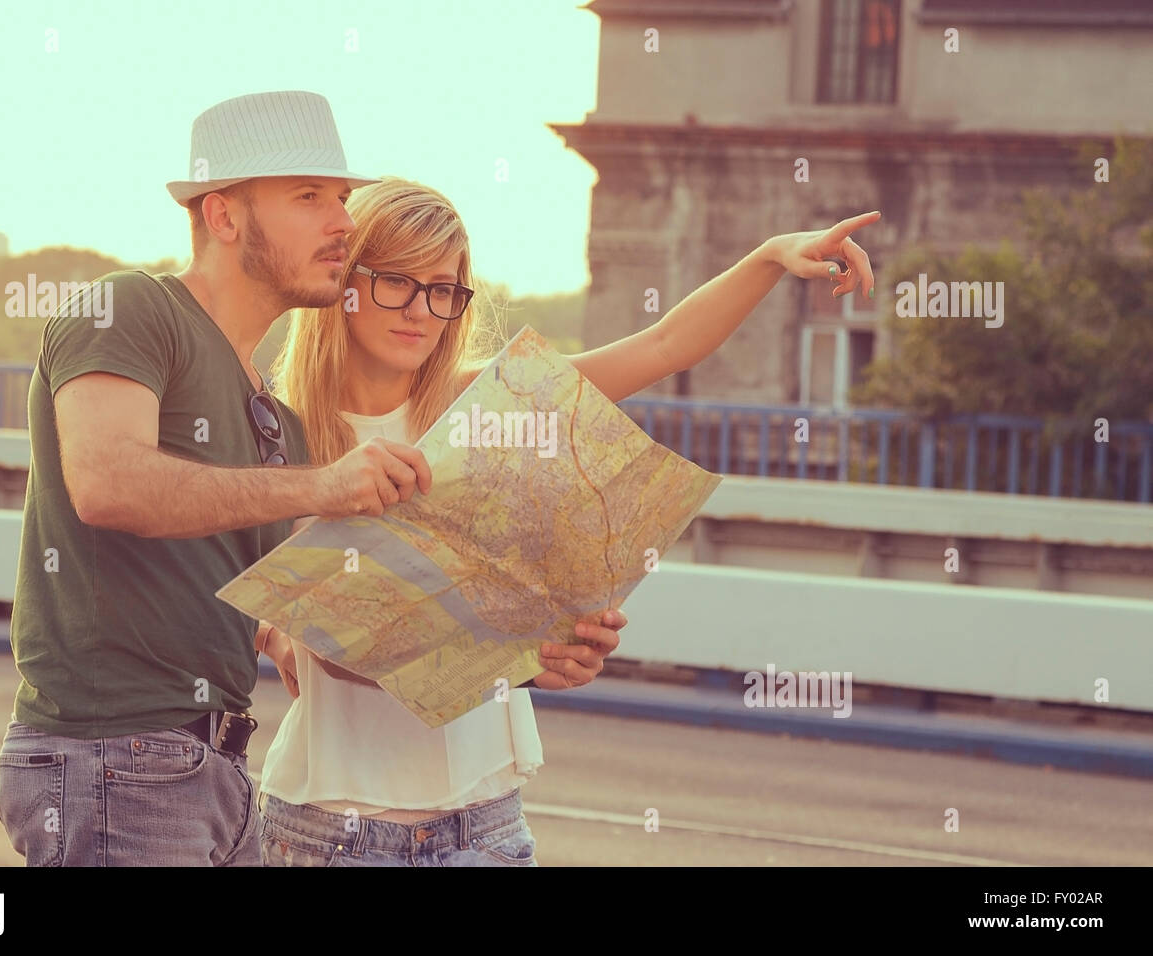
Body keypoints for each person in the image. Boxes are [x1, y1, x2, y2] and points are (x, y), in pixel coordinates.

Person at [0, 90, 625, 867]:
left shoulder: (269, 418)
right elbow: (108, 485)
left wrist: (526, 658)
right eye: (308, 197)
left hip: (217, 772)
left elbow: (333, 641)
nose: (343, 221)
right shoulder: (127, 308)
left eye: (342, 198)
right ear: (222, 216)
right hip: (115, 758)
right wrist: (323, 486)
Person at [255, 177, 879, 866]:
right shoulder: (279, 434)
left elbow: (665, 345)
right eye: (396, 282)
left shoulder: (485, 405)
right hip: (334, 829)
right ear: (344, 280)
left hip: (485, 828)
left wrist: (769, 257)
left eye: (443, 289)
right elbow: (294, 648)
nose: (421, 311)